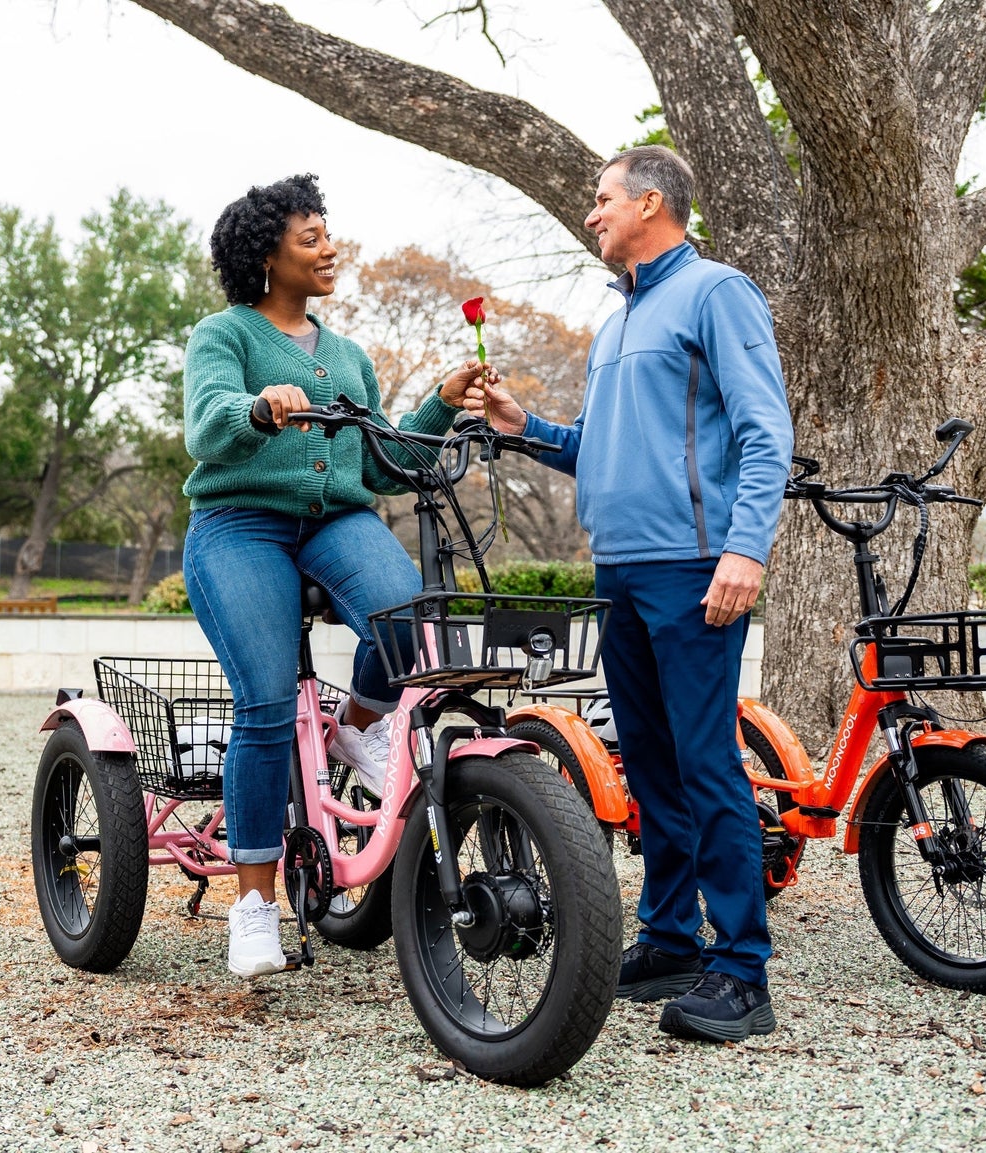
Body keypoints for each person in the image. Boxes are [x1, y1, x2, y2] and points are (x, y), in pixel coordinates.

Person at [463, 145, 795, 1041]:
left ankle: (741, 972)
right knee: (648, 765)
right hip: (623, 572)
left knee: (706, 762)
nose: (591, 213)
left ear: (651, 202)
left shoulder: (719, 292)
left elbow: (767, 430)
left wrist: (745, 550)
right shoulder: (615, 323)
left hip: (697, 570)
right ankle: (672, 938)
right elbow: (599, 447)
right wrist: (524, 428)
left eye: (601, 199)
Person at [183, 174, 496, 978]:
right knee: (262, 698)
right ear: (266, 255)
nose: (330, 247)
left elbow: (388, 464)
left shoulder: (349, 355)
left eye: (329, 232)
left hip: (336, 520)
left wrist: (439, 404)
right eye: (311, 236)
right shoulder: (225, 334)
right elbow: (208, 425)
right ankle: (253, 904)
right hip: (238, 524)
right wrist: (259, 409)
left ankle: (357, 721)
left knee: (411, 621)